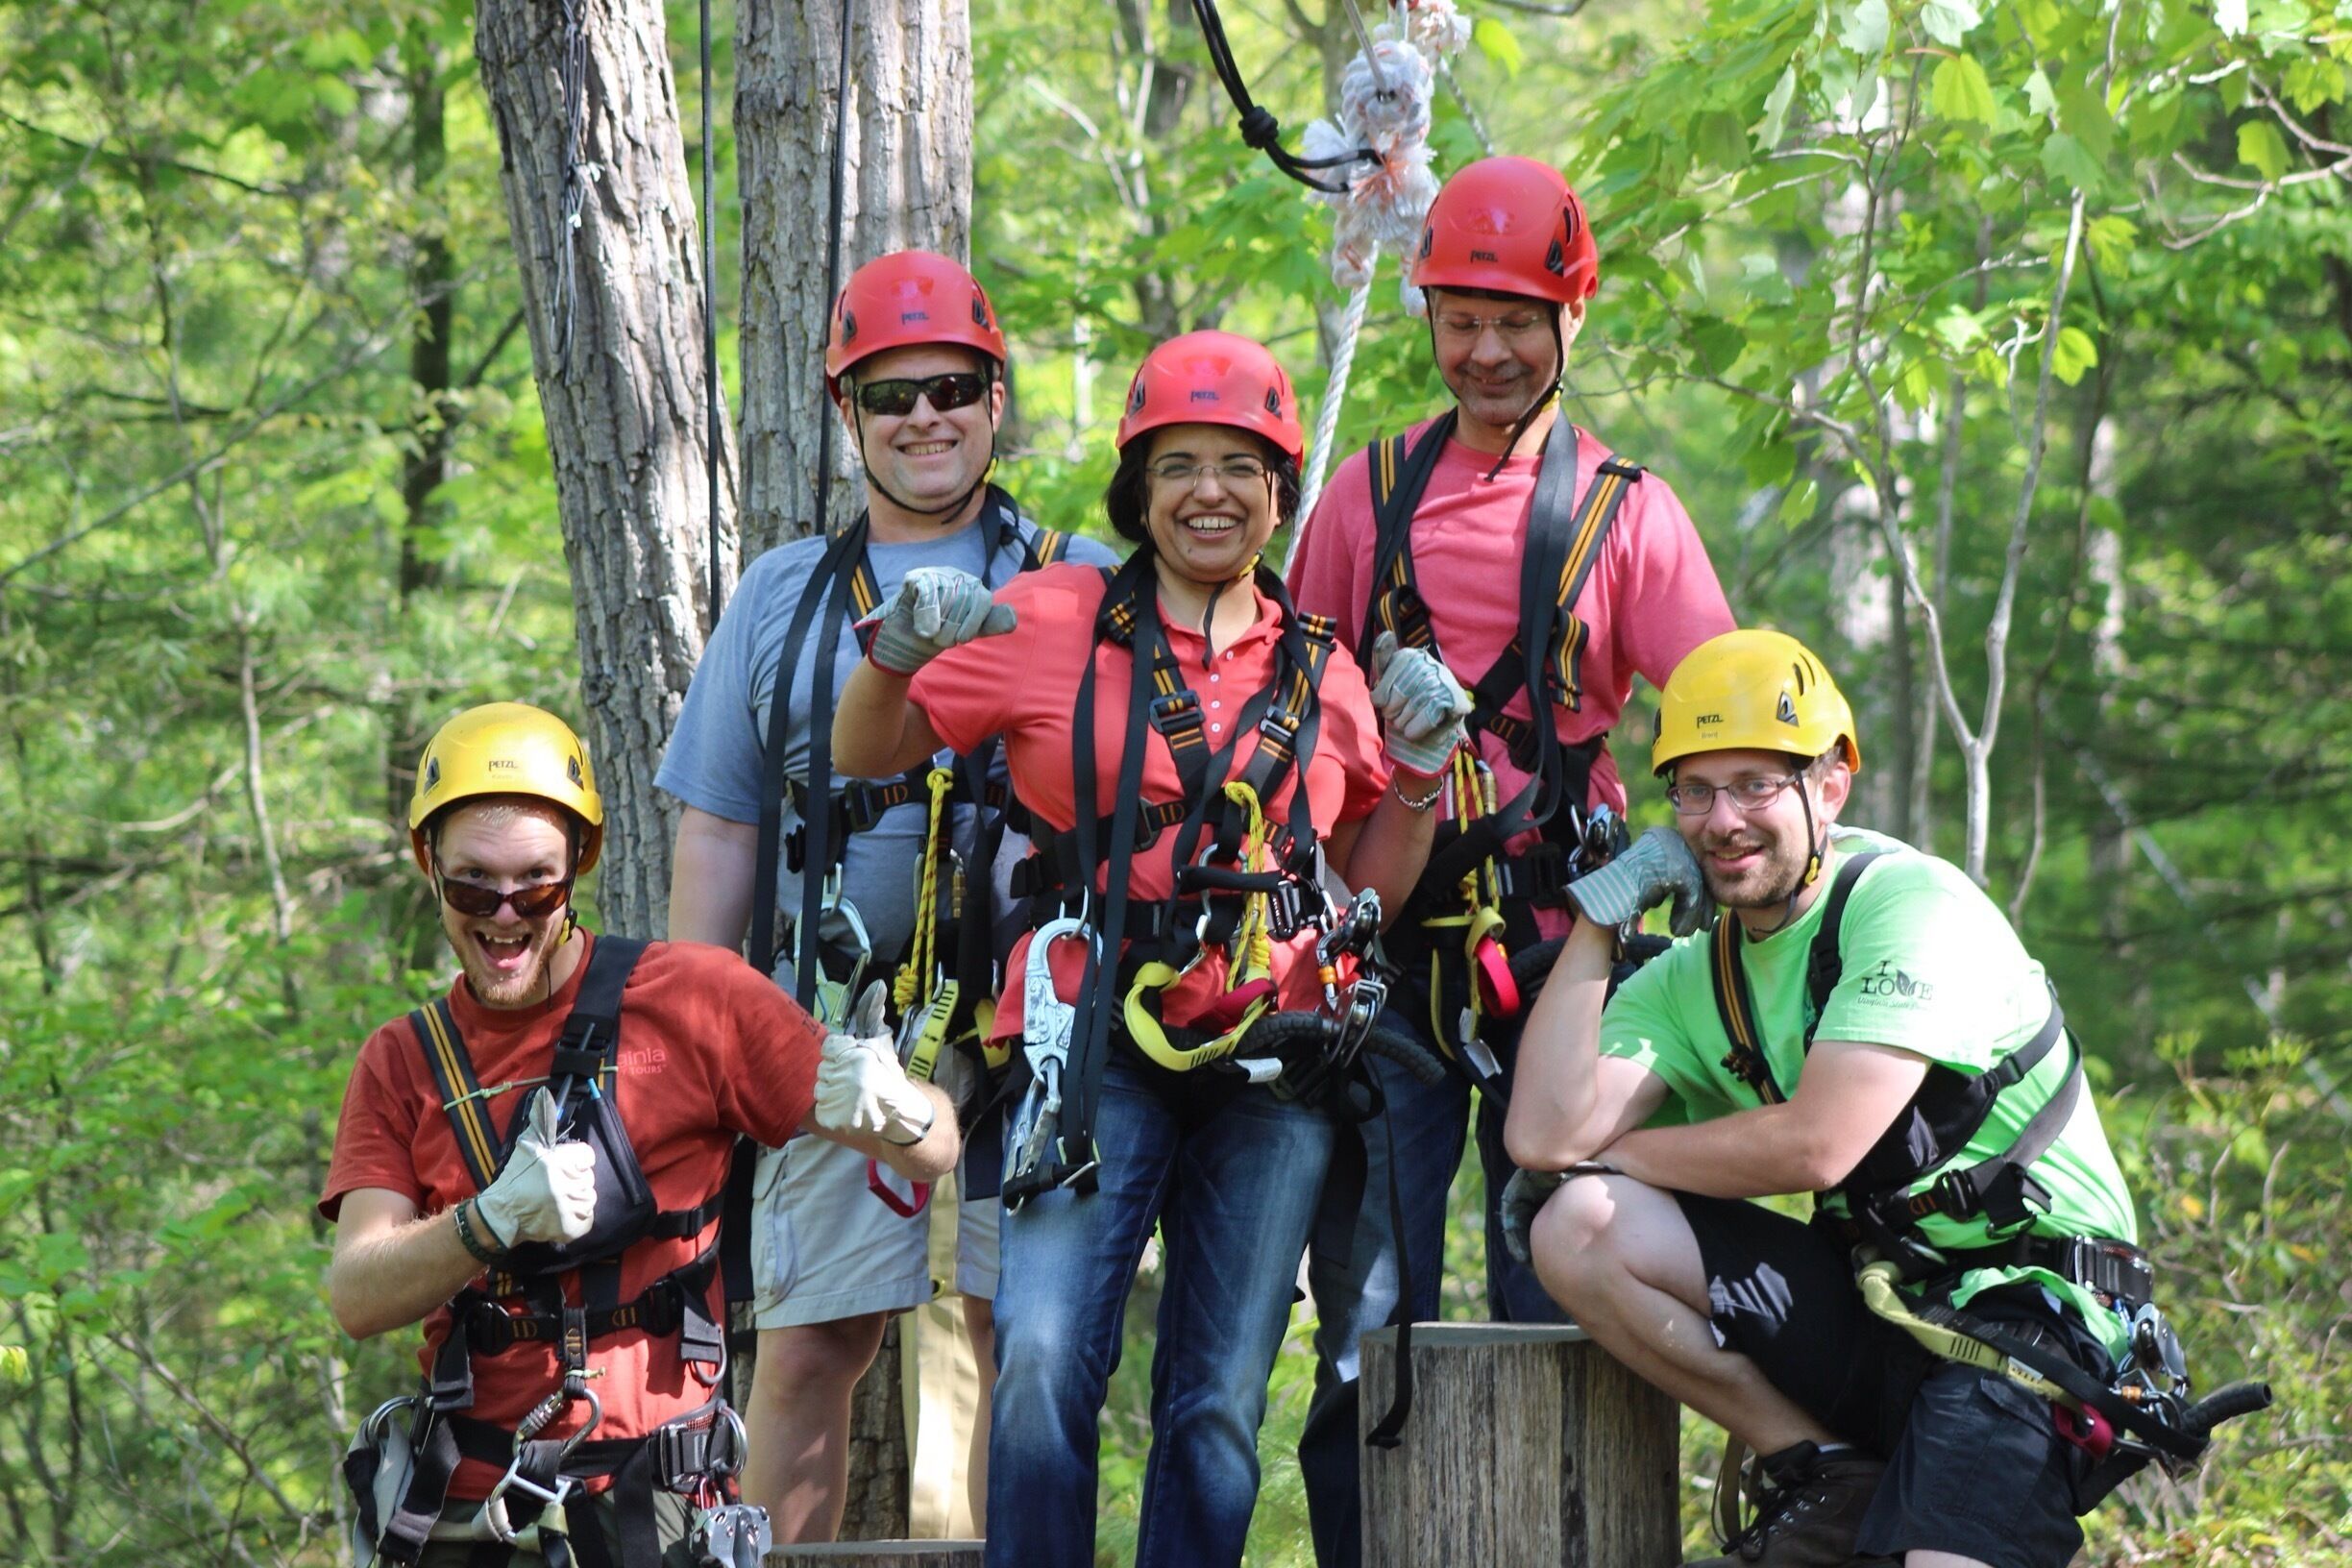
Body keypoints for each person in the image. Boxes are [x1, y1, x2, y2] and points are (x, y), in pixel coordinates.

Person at [829, 330, 1470, 1568]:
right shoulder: (1048, 618)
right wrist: (900, 648)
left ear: (1281, 492)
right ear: (1139, 488)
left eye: (1239, 464)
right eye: (1178, 464)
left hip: (1268, 1052)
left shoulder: (1325, 674)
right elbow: (867, 753)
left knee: (1221, 1408)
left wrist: (1425, 773)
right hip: (1087, 1041)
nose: (1209, 492)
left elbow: (1370, 890)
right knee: (1039, 1367)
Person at [1285, 152, 1735, 1564]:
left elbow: (1725, 713)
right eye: (1458, 316)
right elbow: (1290, 732)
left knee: (1565, 1295)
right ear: (1427, 319)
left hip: (1565, 946)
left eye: (1515, 319)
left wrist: (1696, 856)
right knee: (1369, 1321)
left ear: (1569, 322)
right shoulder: (1362, 502)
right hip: (1393, 955)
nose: (1485, 350)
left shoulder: (1627, 515)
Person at [1500, 628, 2175, 1568]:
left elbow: (1819, 1146)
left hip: (2036, 1315)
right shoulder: (1698, 974)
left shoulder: (1909, 906)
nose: (1721, 820)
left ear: (1829, 786)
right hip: (1887, 1303)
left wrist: (1613, 1153)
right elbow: (1542, 1135)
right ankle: (1820, 1471)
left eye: (1755, 785)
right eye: (1694, 790)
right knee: (1576, 1223)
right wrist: (1599, 925)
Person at [656, 249, 1115, 1540]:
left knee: (1002, 1338)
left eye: (954, 386)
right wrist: (706, 1036)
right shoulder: (781, 598)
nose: (926, 415)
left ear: (994, 398)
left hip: (1040, 1033)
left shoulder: (1080, 582)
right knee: (811, 1346)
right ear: (846, 410)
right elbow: (720, 833)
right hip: (833, 1029)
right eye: (893, 390)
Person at [328, 702, 958, 1566]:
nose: (504, 917)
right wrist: (490, 1220)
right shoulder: (401, 1061)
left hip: (660, 1502)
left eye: (536, 885)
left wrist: (900, 1106)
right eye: (474, 884)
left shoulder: (695, 999)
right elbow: (356, 1295)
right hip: (477, 1511)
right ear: (428, 867)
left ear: (579, 865)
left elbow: (931, 1154)